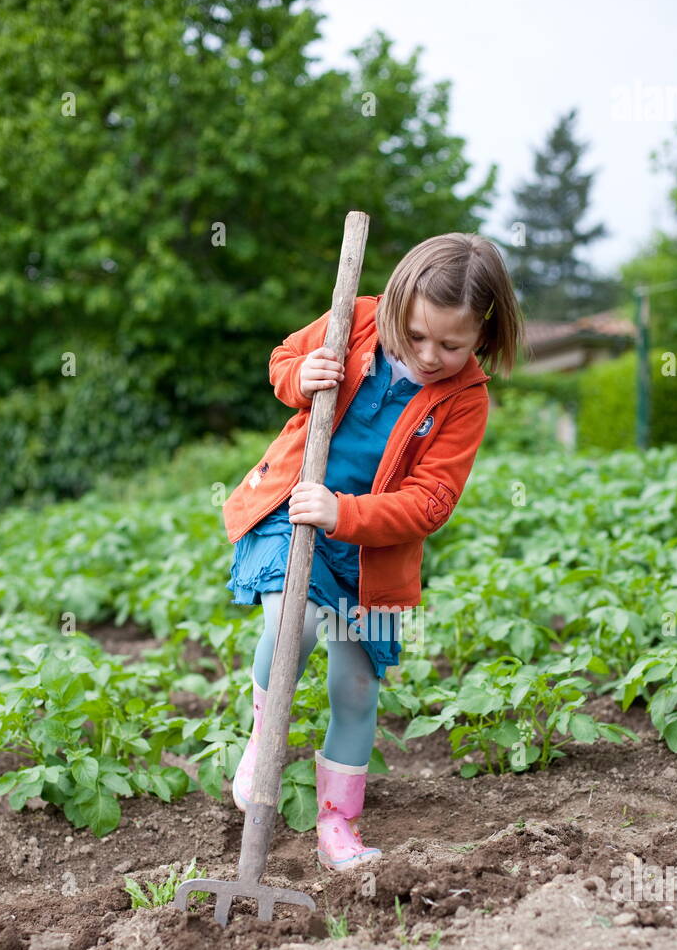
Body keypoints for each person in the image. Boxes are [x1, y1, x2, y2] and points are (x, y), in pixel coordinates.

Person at [222, 232, 523, 871]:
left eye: (452, 344)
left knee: (355, 687)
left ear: (483, 337)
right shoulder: (353, 318)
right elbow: (282, 359)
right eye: (415, 336)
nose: (430, 355)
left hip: (374, 562)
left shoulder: (465, 399)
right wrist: (301, 377)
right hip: (294, 509)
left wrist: (347, 513)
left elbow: (430, 502)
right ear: (393, 305)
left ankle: (338, 825)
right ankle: (262, 741)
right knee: (291, 619)